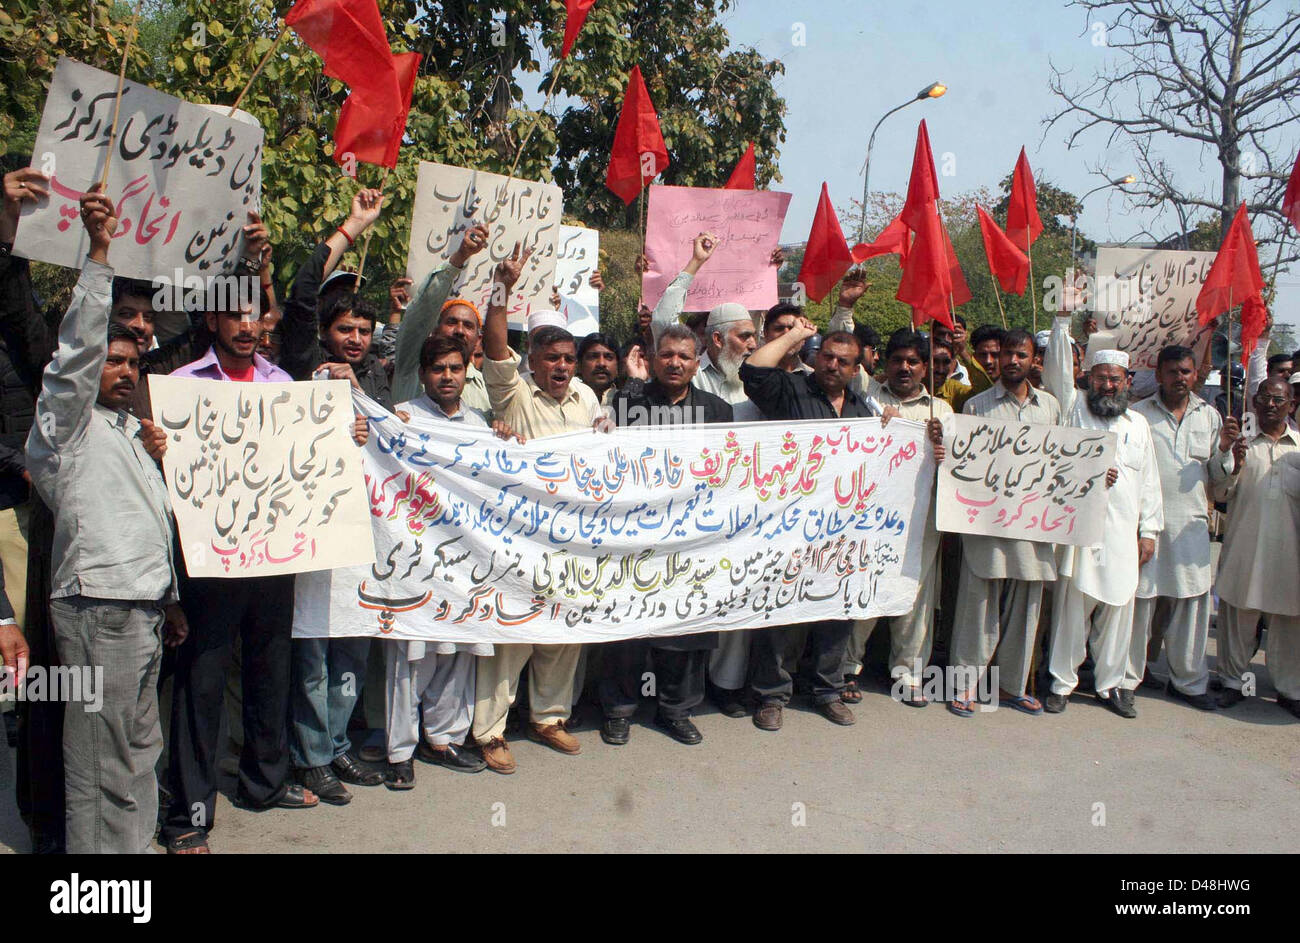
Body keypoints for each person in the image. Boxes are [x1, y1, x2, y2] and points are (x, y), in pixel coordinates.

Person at [26, 185, 186, 853]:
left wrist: (171, 601)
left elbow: (150, 521)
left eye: (131, 362)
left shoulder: (130, 432)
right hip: (98, 607)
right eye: (111, 361)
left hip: (143, 608)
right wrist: (98, 255)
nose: (123, 370)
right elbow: (76, 356)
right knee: (99, 760)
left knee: (137, 748)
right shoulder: (63, 427)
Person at [162, 277, 331, 853]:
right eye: (232, 315)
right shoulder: (181, 387)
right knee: (201, 685)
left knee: (271, 672)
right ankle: (187, 812)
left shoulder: (282, 383)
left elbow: (311, 455)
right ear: (212, 323)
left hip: (272, 558)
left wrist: (345, 432)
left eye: (253, 314)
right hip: (209, 564)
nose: (245, 325)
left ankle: (265, 781)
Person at [741, 317, 944, 728]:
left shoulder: (863, 408)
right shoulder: (791, 389)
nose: (833, 366)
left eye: (843, 361)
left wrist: (897, 433)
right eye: (827, 357)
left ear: (856, 370)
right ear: (816, 359)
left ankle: (826, 690)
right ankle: (771, 696)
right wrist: (795, 335)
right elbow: (754, 370)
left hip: (845, 531)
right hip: (791, 526)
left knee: (837, 609)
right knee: (779, 612)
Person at [472, 243, 598, 774]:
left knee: (560, 633)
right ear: (534, 361)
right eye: (552, 358)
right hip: (522, 539)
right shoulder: (515, 395)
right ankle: (491, 731)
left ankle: (549, 718)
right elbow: (495, 340)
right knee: (513, 636)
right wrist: (502, 285)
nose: (562, 367)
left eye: (569, 359)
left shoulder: (589, 397)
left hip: (575, 540)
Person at [599, 324, 731, 746]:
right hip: (634, 536)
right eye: (667, 355)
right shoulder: (627, 402)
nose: (674, 363)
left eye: (684, 357)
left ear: (697, 364)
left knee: (686, 626)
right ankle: (619, 710)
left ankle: (677, 709)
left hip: (692, 536)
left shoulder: (716, 410)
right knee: (628, 628)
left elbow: (727, 470)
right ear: (653, 359)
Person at [382, 334, 495, 787]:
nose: (447, 377)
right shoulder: (403, 418)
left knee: (460, 652)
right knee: (411, 654)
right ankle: (399, 751)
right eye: (437, 369)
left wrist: (509, 439)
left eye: (454, 368)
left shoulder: (480, 426)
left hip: (467, 559)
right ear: (423, 373)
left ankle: (444, 738)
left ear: (467, 370)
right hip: (415, 555)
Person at [1043, 316, 1164, 718]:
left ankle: (1111, 686)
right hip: (1080, 532)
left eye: (1115, 379)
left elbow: (1149, 482)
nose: (1107, 386)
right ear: (1088, 379)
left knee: (1118, 615)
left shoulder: (1139, 425)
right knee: (1072, 613)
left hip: (1124, 537)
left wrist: (1149, 532)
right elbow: (1059, 371)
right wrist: (1062, 320)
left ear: (1127, 381)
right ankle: (1062, 682)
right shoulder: (1075, 409)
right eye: (1100, 379)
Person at [947, 329, 1061, 718]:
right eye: (1008, 354)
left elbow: (1062, 463)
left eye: (1021, 355)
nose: (1013, 361)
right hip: (988, 521)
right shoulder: (977, 406)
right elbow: (963, 462)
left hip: (1034, 522)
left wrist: (1096, 478)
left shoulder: (1050, 407)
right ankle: (962, 686)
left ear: (1034, 361)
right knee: (977, 604)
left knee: (1026, 606)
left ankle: (1013, 686)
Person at [841, 329, 953, 706]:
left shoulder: (942, 411)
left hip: (920, 521)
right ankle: (846, 670)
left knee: (913, 598)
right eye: (897, 361)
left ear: (926, 368)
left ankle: (907, 674)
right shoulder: (866, 396)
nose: (904, 368)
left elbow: (959, 467)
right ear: (884, 364)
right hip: (870, 519)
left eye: (913, 362)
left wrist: (942, 449)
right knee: (863, 591)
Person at [1128, 346, 1229, 711]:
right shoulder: (1137, 415)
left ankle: (1188, 682)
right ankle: (1128, 678)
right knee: (1140, 603)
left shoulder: (1211, 417)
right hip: (1145, 527)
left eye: (1185, 371)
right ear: (1159, 375)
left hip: (1191, 526)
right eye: (1172, 372)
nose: (1179, 378)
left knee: (1191, 604)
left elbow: (1219, 483)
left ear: (1194, 374)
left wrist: (1228, 452)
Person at [1210, 376, 1300, 717]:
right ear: (1255, 402)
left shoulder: (1299, 446)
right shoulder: (1242, 444)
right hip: (1244, 549)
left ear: (1291, 404)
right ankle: (1236, 684)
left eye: (1280, 399)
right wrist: (1234, 463)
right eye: (1265, 398)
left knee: (1289, 626)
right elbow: (1219, 495)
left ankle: (1290, 690)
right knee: (1238, 623)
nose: (1272, 404)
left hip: (1288, 554)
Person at [392, 224, 491, 407]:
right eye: (451, 322)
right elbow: (424, 308)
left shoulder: (486, 389)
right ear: (435, 329)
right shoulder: (412, 364)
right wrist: (459, 258)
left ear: (479, 338)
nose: (459, 331)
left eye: (468, 325)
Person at [577, 332, 620, 405]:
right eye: (593, 357)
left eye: (608, 357)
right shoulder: (566, 399)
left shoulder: (627, 402)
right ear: (579, 365)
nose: (601, 363)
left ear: (618, 365)